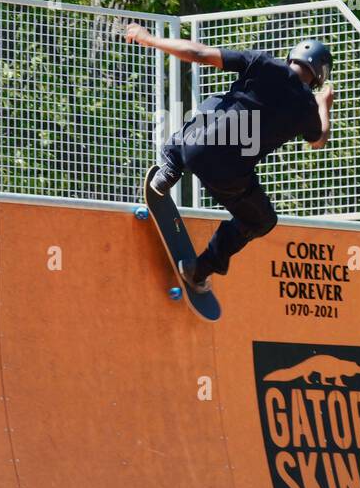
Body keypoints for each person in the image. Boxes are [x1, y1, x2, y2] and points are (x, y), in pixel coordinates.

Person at [124, 25, 334, 293]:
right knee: (261, 221)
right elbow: (318, 140)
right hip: (230, 177)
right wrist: (323, 106)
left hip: (196, 148)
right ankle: (199, 270)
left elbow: (197, 53)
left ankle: (171, 168)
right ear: (319, 77)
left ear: (291, 57)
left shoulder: (264, 63)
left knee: (217, 104)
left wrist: (148, 39)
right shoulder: (307, 108)